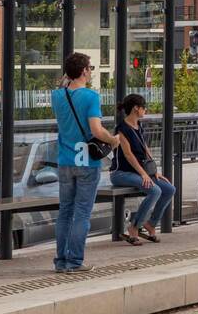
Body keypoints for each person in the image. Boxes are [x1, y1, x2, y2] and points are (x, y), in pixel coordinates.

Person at [51, 52, 120, 273]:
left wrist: (69, 76)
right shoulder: (91, 97)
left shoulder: (56, 96)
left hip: (65, 161)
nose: (91, 72)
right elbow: (96, 130)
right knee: (82, 213)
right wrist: (113, 140)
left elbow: (64, 86)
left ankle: (61, 261)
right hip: (87, 163)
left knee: (65, 212)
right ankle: (74, 261)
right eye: (90, 68)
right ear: (83, 71)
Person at [110, 93, 175, 243]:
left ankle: (151, 224)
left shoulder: (139, 126)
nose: (145, 110)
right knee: (155, 190)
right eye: (143, 107)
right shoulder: (121, 129)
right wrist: (144, 174)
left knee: (169, 189)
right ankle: (134, 226)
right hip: (121, 173)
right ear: (136, 108)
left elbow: (145, 148)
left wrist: (154, 172)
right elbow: (128, 155)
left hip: (139, 172)